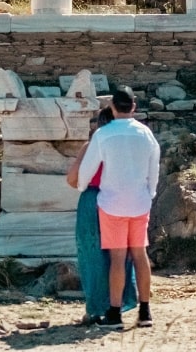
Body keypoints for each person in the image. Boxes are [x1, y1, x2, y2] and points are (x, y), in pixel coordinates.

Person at [77, 86, 160, 330]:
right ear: (134, 106)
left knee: (117, 258)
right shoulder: (146, 134)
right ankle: (145, 311)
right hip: (139, 202)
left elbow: (88, 169)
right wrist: (150, 195)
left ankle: (114, 313)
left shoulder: (104, 134)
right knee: (140, 254)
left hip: (111, 203)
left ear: (113, 107)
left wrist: (83, 186)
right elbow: (153, 169)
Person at [66, 107, 137, 325]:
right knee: (119, 255)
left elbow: (71, 178)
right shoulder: (128, 147)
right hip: (120, 198)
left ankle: (95, 309)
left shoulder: (92, 146)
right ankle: (118, 305)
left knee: (92, 255)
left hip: (92, 199)